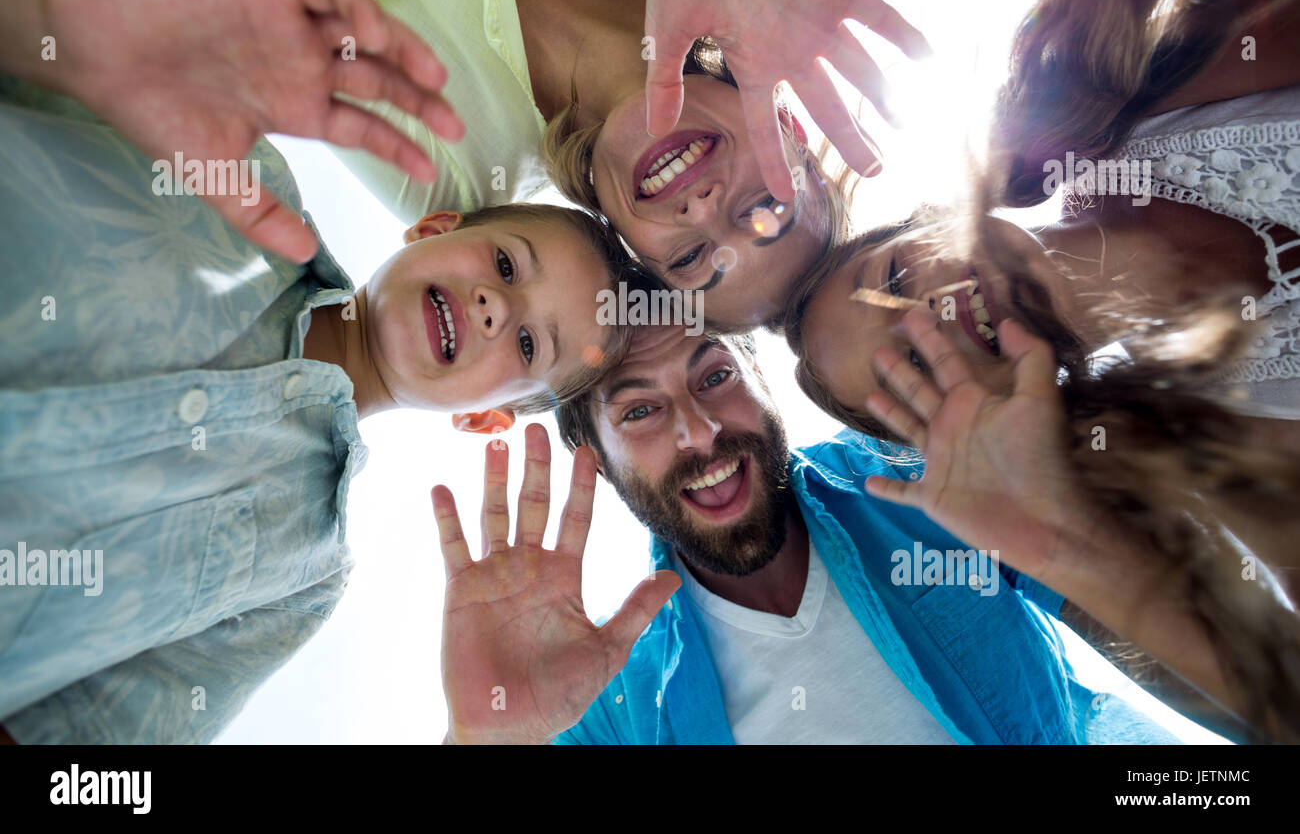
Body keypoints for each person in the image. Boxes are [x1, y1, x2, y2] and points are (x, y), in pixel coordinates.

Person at [0, 0, 632, 743]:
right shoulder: (235, 169)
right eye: (506, 264)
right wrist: (64, 11)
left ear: (485, 421)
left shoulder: (298, 580)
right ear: (431, 228)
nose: (491, 309)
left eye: (528, 348)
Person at [779, 0, 1300, 739]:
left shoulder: (1163, 91)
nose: (934, 316)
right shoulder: (1226, 445)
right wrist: (1058, 547)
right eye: (913, 370)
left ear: (937, 216)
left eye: (899, 277)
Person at [112, 0, 929, 329]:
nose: (707, 212)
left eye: (687, 260)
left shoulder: (432, 157)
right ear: (789, 122)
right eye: (764, 211)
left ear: (630, 255)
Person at [430, 323, 1260, 745]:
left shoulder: (906, 480)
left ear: (764, 384)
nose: (700, 433)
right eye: (640, 412)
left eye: (715, 376)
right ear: (600, 465)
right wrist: (479, 735)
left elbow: (1139, 616)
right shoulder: (613, 697)